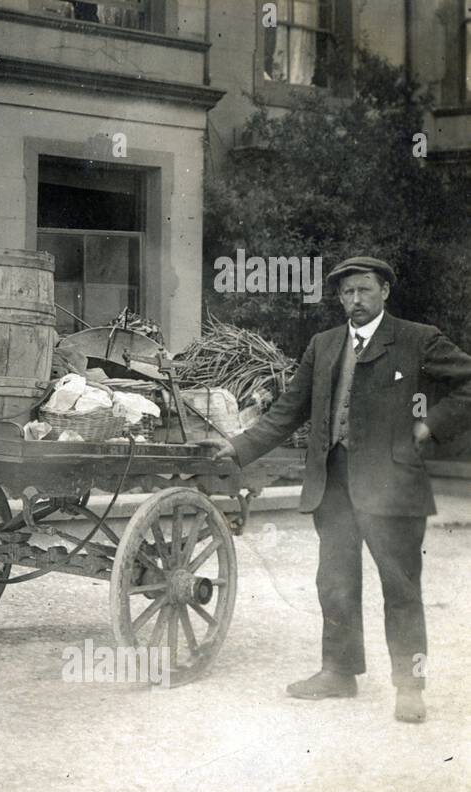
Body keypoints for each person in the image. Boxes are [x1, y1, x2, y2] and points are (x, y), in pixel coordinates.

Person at [200, 257, 471, 723]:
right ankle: (338, 672)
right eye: (347, 293)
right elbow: (289, 410)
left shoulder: (416, 338)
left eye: (364, 290)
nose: (355, 301)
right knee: (336, 584)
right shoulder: (324, 345)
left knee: (401, 588)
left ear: (385, 291)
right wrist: (238, 448)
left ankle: (410, 687)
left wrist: (430, 427)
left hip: (394, 485)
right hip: (333, 484)